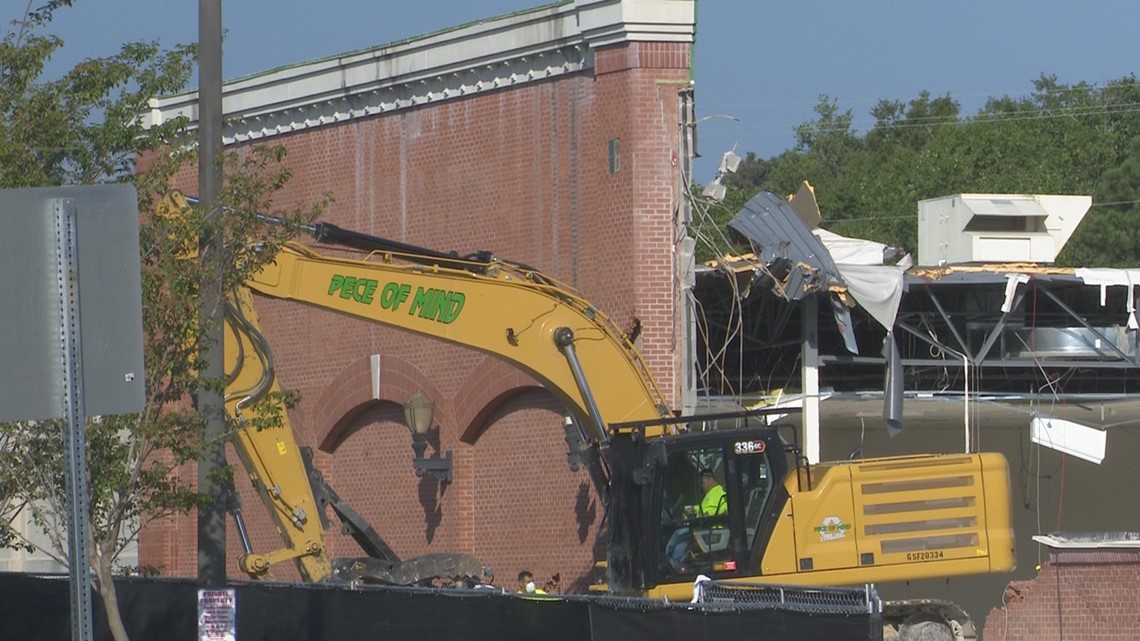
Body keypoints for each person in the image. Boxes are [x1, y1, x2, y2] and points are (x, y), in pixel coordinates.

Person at [664, 469, 727, 571]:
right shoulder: (711, 493)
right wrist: (694, 509)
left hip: (710, 528)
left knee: (681, 535)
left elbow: (721, 508)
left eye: (702, 482)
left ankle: (674, 563)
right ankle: (671, 558)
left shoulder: (720, 492)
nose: (701, 486)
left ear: (710, 480)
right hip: (702, 526)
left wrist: (706, 515)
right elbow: (705, 507)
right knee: (679, 532)